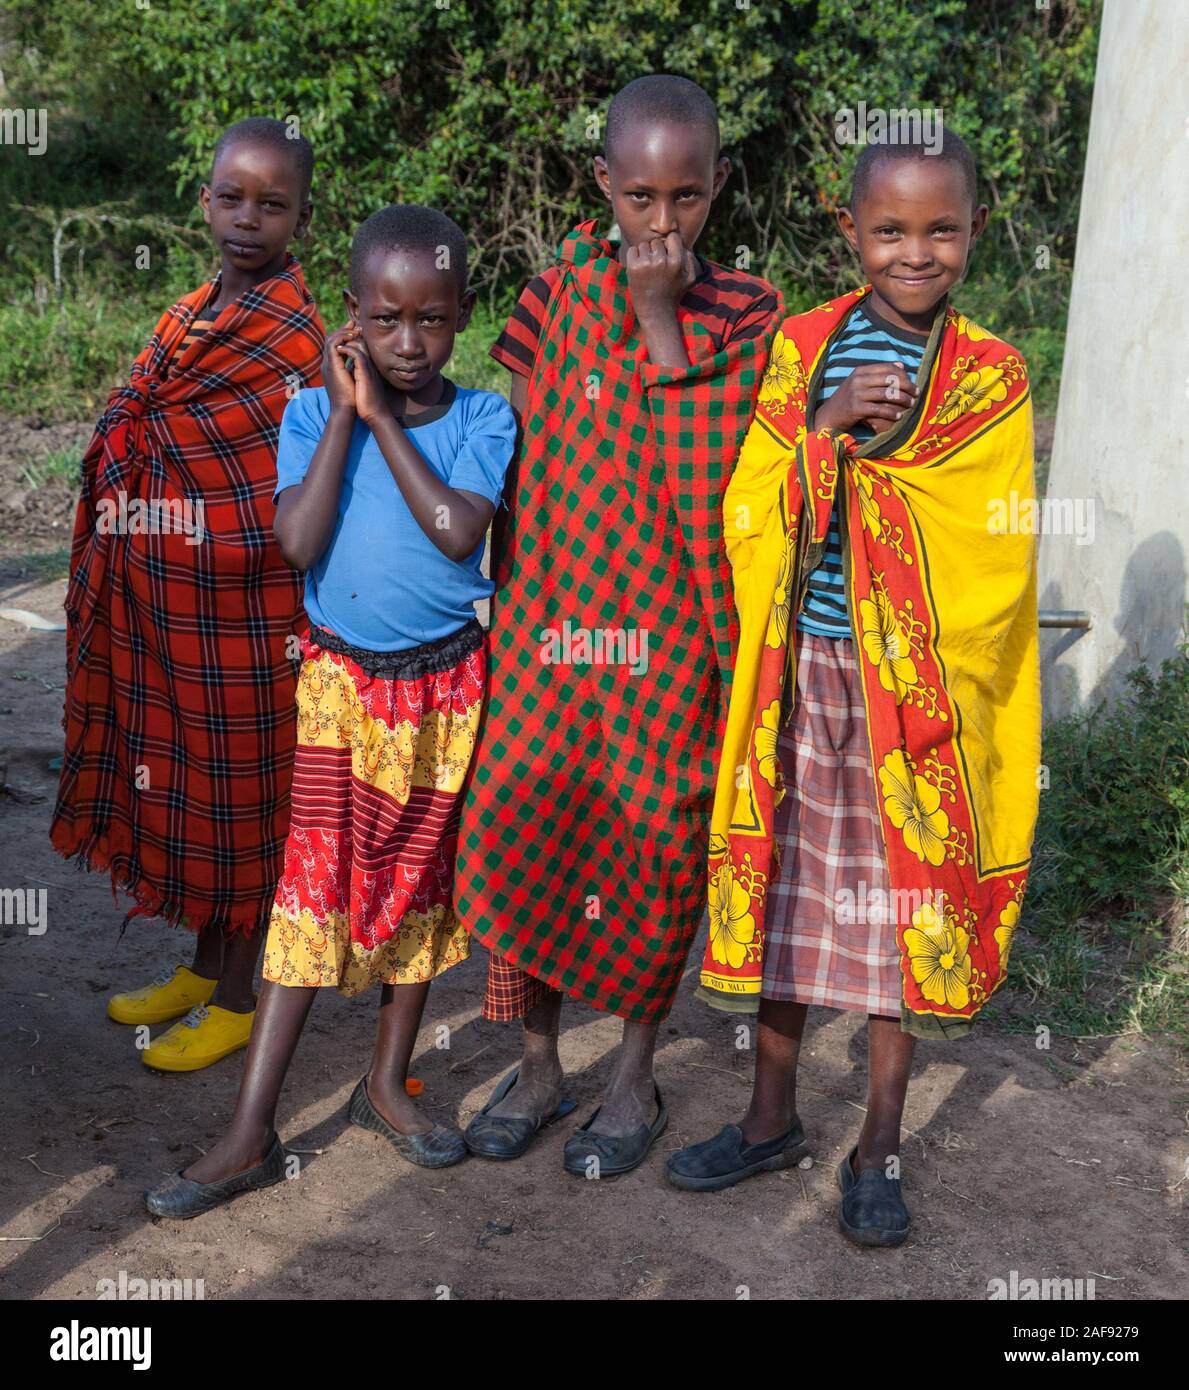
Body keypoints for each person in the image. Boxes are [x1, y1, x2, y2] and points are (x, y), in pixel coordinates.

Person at [668, 129, 1041, 1248]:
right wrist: (825, 434)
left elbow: (991, 554)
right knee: (782, 905)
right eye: (889, 230)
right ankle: (768, 1116)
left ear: (975, 228)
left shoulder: (991, 376)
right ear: (849, 232)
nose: (914, 253)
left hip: (911, 706)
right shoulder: (802, 346)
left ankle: (877, 1144)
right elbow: (752, 506)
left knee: (898, 925)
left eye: (939, 229)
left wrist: (874, 478)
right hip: (804, 684)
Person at [145, 204, 515, 1218]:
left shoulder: (484, 419)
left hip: (446, 687)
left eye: (431, 320)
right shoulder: (312, 418)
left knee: (417, 888)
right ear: (351, 319)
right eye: (386, 319)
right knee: (308, 899)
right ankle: (251, 1128)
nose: (407, 342)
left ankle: (388, 1084)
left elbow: (454, 534)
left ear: (461, 318)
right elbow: (299, 544)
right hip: (339, 689)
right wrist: (348, 413)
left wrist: (387, 422)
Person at [454, 74, 782, 1177]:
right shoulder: (551, 299)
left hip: (674, 635)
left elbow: (722, 459)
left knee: (649, 845)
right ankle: (542, 1063)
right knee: (520, 824)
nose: (662, 222)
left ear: (717, 188)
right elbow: (518, 447)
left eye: (685, 197)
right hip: (550, 629)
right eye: (639, 197)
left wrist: (653, 316)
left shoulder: (748, 310)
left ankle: (635, 1071)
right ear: (603, 185)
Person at [51, 118, 324, 1071]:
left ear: (300, 216)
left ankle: (244, 998)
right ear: (203, 200)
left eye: (273, 205)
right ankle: (205, 969)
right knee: (184, 783)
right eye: (232, 198)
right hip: (166, 610)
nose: (248, 220)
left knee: (246, 803)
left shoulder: (294, 335)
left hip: (250, 620)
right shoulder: (191, 308)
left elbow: (279, 492)